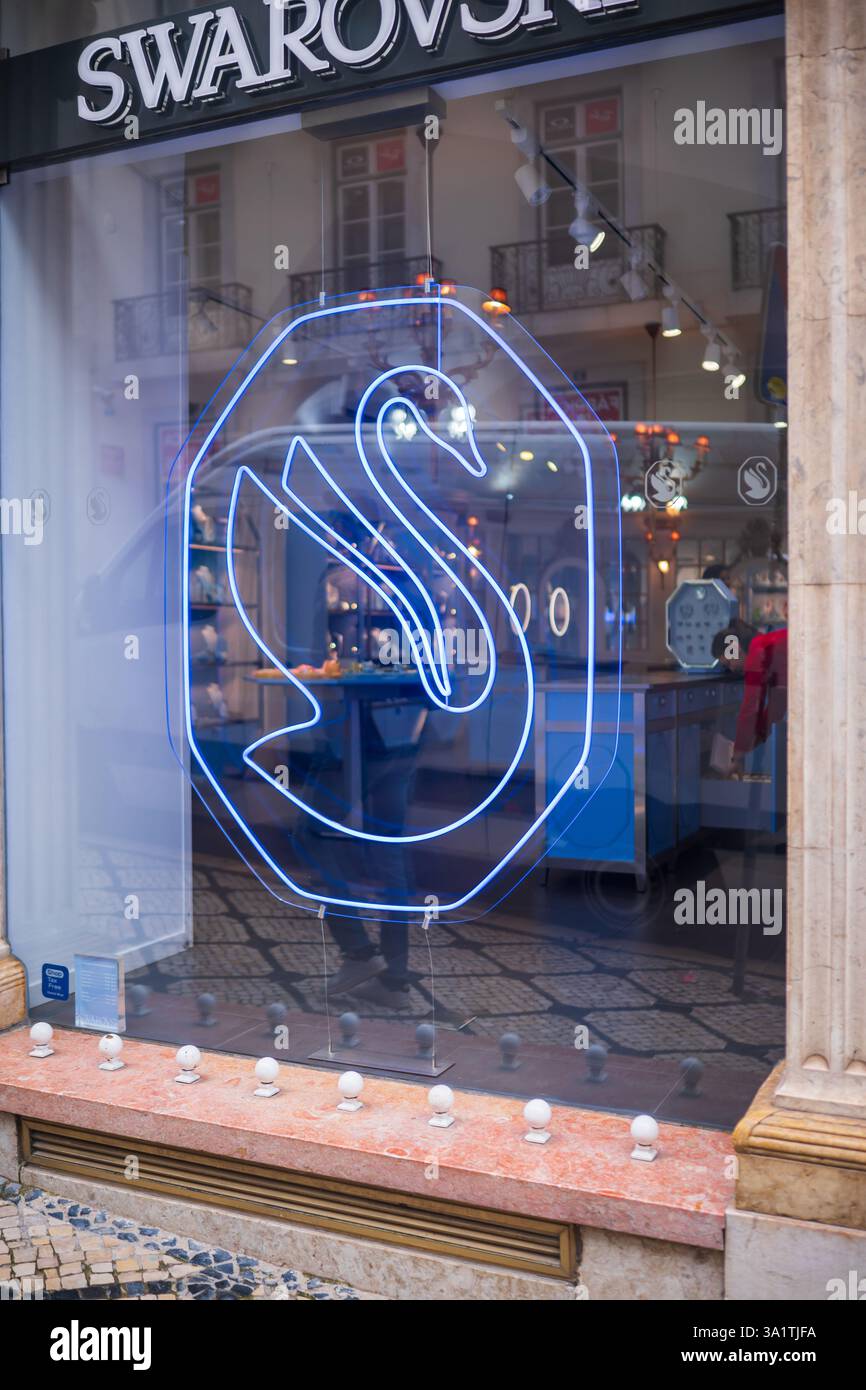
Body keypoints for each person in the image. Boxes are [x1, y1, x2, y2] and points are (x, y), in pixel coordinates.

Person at [711, 620, 788, 774]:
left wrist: (738, 755)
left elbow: (750, 708)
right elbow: (776, 709)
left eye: (728, 662)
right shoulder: (766, 647)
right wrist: (754, 742)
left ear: (736, 648)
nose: (732, 669)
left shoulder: (756, 651)